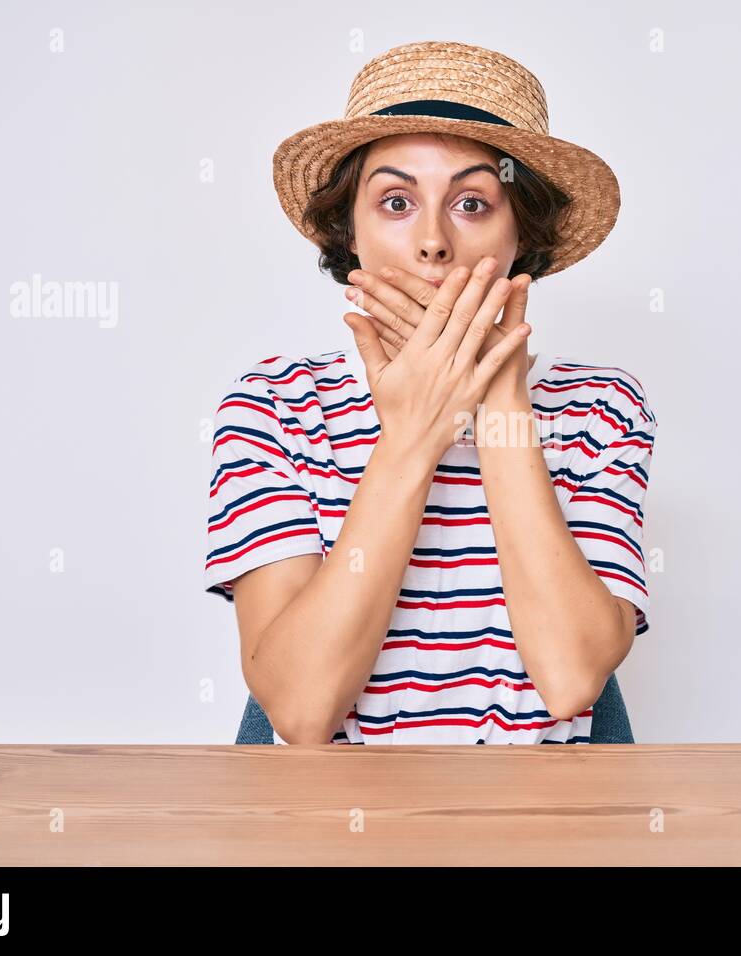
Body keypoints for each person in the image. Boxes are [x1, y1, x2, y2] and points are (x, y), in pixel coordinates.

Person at [203, 41, 657, 745]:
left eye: (473, 203)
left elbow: (570, 678)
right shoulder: (276, 405)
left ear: (522, 237)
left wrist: (501, 400)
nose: (433, 242)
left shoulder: (600, 407)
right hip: (325, 841)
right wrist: (412, 437)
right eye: (395, 201)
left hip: (546, 835)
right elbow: (298, 709)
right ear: (348, 231)